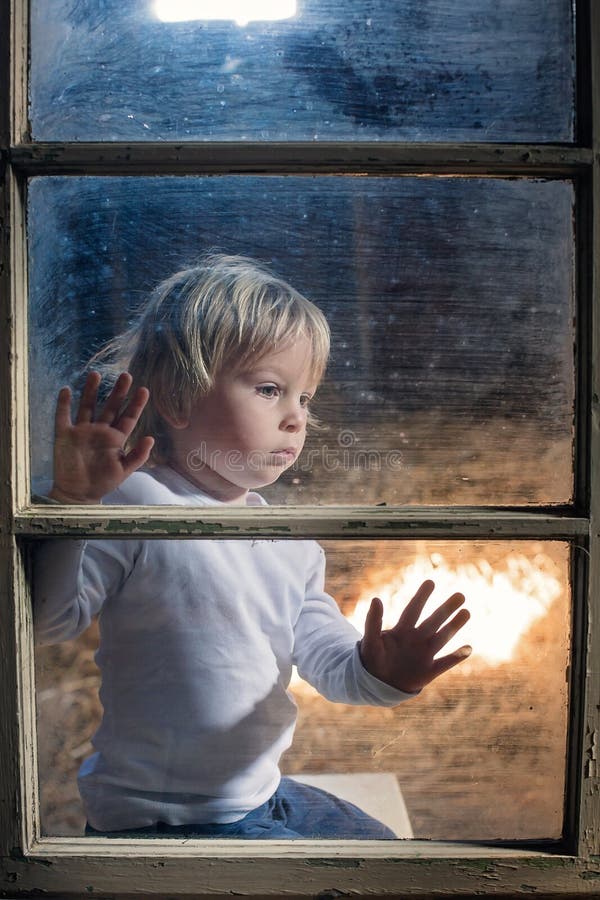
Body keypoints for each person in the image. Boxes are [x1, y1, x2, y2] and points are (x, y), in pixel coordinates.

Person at [34, 253, 471, 839]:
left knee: (383, 848)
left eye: (306, 398)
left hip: (258, 798)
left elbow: (335, 668)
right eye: (270, 389)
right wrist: (72, 506)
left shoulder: (288, 542)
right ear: (179, 398)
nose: (296, 418)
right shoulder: (137, 502)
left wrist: (385, 670)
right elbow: (46, 620)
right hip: (161, 820)